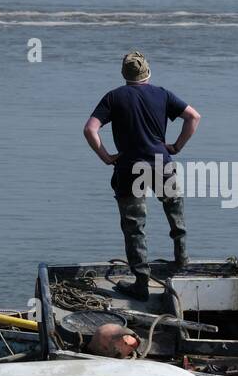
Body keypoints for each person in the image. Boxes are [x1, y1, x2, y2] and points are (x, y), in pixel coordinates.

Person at [83, 51, 201, 300]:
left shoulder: (114, 97)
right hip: (161, 163)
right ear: (148, 72)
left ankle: (141, 282)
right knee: (175, 213)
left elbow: (90, 129)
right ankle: (182, 262)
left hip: (129, 168)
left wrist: (105, 156)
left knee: (135, 226)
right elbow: (194, 117)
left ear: (124, 74)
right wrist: (177, 147)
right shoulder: (162, 93)